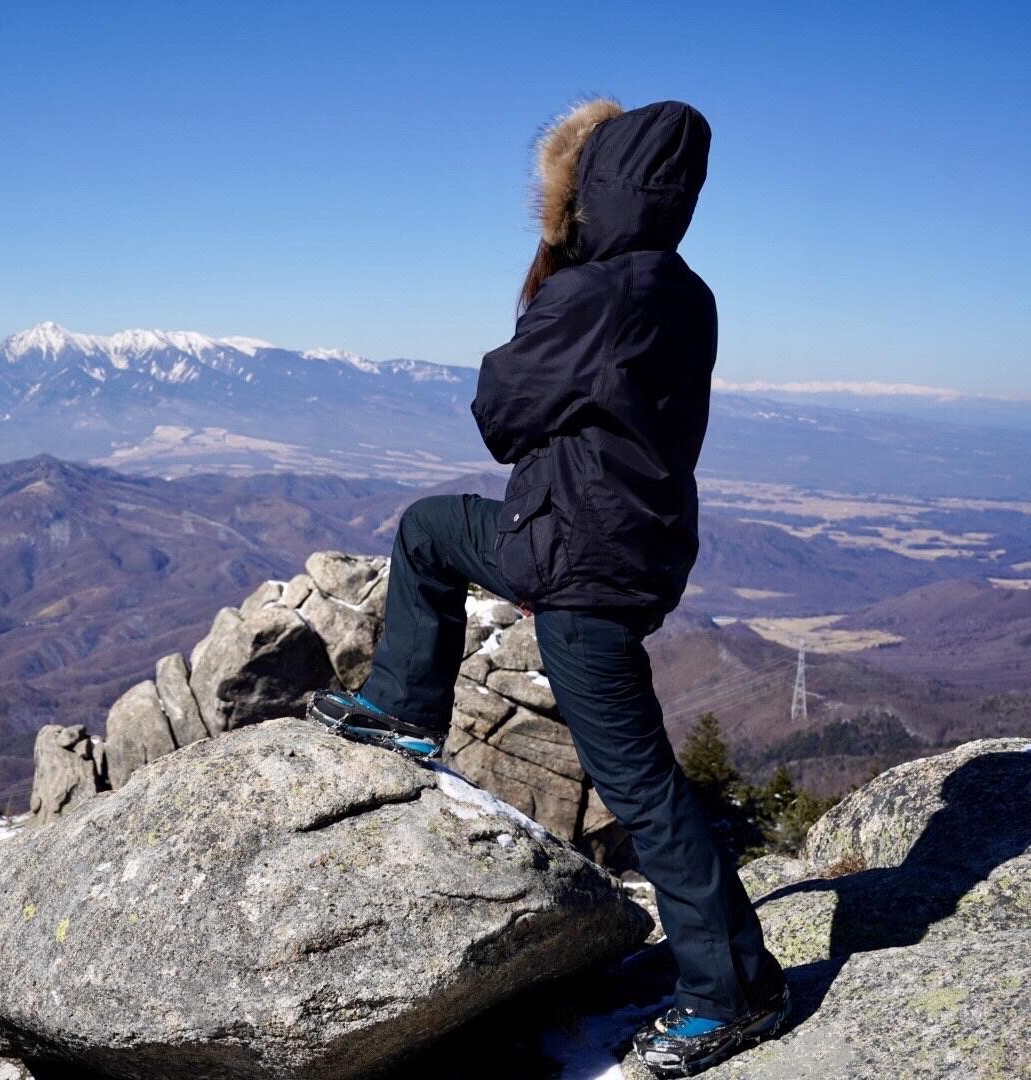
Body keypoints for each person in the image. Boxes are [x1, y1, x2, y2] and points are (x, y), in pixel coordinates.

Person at [308, 98, 789, 1077]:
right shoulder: (683, 290)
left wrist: (547, 282)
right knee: (432, 532)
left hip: (576, 567)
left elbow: (498, 407)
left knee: (641, 791)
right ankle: (403, 708)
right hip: (614, 545)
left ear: (590, 191)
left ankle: (730, 992)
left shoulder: (592, 291)